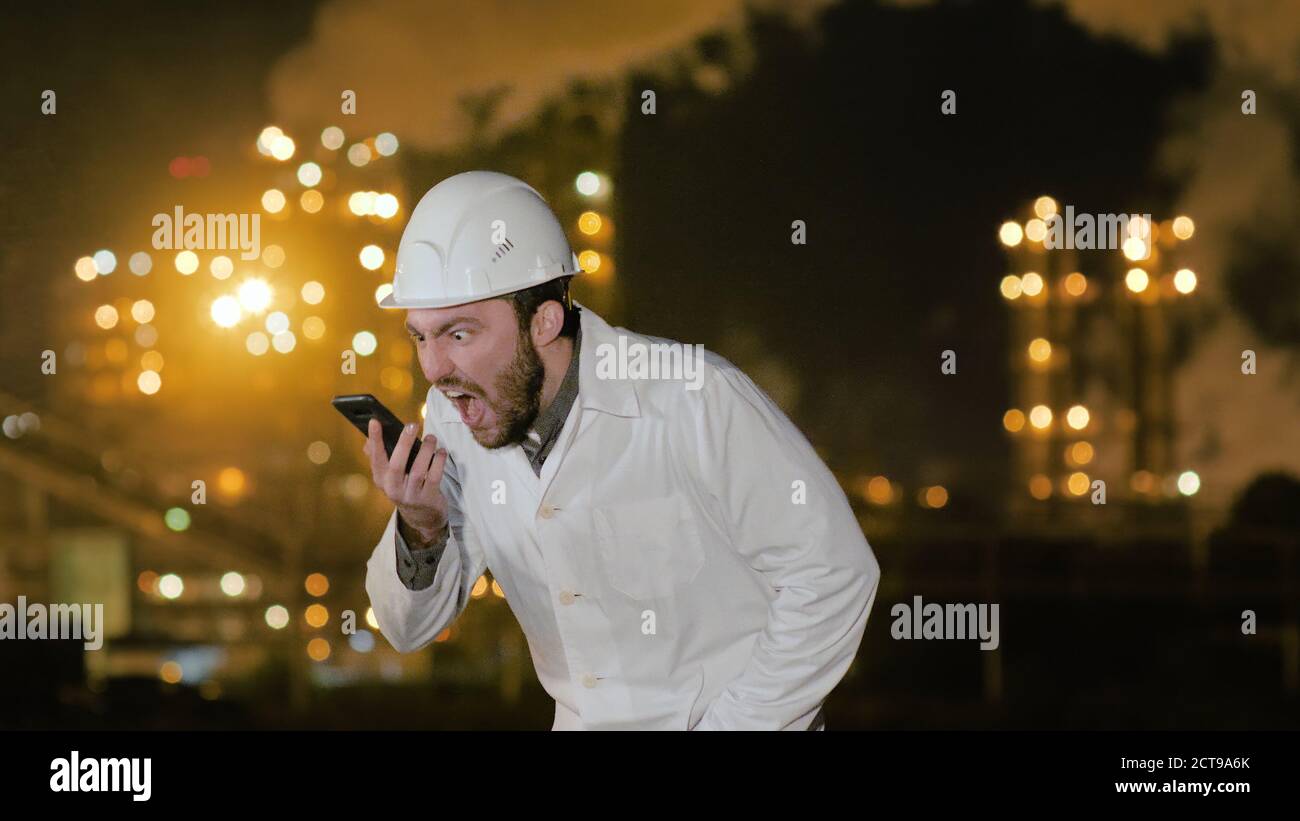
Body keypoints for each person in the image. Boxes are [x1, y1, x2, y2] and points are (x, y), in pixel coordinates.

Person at [363, 170, 880, 730]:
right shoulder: (458, 417)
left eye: (459, 334)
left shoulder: (694, 396)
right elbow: (407, 629)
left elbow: (832, 575)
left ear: (544, 321)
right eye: (420, 336)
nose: (434, 368)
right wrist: (422, 528)